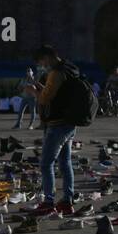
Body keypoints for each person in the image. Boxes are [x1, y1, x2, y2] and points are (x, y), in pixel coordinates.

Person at [31, 43, 83, 215]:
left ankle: (48, 201)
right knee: (65, 163)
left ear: (47, 57)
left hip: (57, 125)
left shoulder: (56, 73)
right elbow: (58, 94)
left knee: (46, 164)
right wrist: (41, 87)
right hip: (70, 123)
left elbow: (45, 99)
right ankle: (67, 201)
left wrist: (33, 91)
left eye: (42, 62)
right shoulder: (70, 68)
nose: (43, 66)